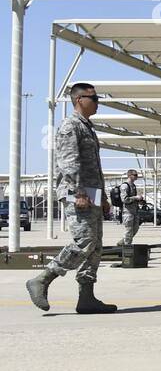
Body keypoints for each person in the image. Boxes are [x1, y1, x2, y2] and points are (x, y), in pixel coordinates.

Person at [25, 83, 117, 313]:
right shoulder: (70, 126)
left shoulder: (88, 127)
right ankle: (43, 279)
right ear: (79, 100)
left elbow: (95, 167)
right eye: (94, 98)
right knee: (84, 241)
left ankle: (86, 297)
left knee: (95, 246)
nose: (97, 102)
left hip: (92, 193)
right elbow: (69, 163)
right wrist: (79, 193)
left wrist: (103, 196)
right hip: (77, 193)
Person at [117, 169, 145, 247]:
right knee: (129, 230)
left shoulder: (133, 186)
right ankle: (127, 247)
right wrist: (136, 197)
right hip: (128, 212)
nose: (137, 177)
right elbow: (124, 199)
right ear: (129, 175)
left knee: (135, 229)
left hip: (134, 211)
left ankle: (122, 242)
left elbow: (132, 199)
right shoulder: (125, 186)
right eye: (135, 175)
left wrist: (139, 201)